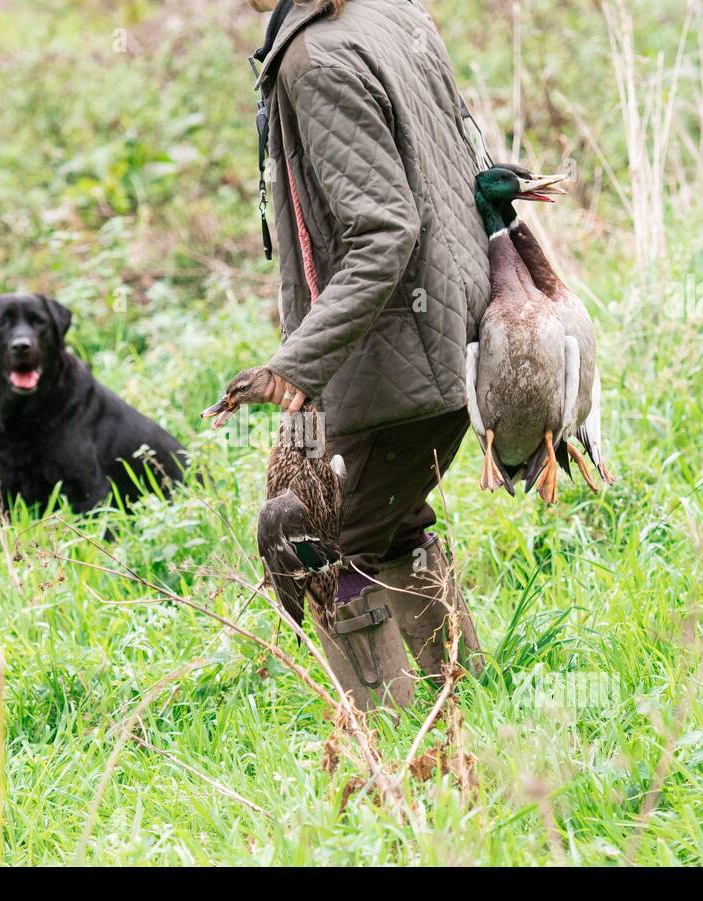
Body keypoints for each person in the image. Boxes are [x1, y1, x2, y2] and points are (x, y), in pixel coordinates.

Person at [232, 0, 493, 710]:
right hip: (450, 329)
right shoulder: (387, 11)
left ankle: (396, 750)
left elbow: (384, 232)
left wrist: (295, 367)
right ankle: (464, 702)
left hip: (402, 358)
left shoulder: (317, 59)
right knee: (392, 522)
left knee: (322, 545)